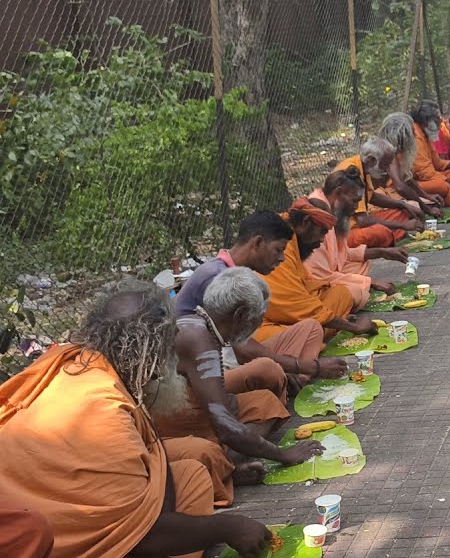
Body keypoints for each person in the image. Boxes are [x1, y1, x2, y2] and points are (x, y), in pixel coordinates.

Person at [0, 279, 272, 558]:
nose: (176, 363)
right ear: (149, 351)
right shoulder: (104, 409)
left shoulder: (80, 362)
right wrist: (227, 528)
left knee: (190, 474)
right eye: (170, 347)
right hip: (43, 538)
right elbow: (140, 537)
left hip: (41, 503)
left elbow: (154, 455)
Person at [154, 268, 326, 507]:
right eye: (259, 317)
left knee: (265, 403)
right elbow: (225, 425)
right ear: (241, 315)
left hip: (190, 407)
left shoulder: (200, 325)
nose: (259, 325)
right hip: (166, 424)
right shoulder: (198, 338)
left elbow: (218, 403)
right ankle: (227, 469)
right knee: (208, 450)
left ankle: (229, 463)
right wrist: (283, 455)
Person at [175, 210, 346, 398]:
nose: (282, 258)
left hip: (236, 359)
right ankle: (282, 382)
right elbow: (243, 351)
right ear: (257, 243)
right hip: (208, 375)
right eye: (278, 250)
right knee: (266, 369)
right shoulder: (217, 277)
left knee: (311, 328)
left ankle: (290, 382)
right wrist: (314, 367)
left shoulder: (237, 271)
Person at [255, 198, 378, 343]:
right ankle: (317, 333)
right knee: (301, 334)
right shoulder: (280, 248)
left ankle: (322, 329)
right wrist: (352, 327)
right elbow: (294, 305)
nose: (321, 241)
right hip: (267, 323)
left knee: (341, 294)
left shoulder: (290, 235)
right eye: (321, 232)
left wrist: (334, 318)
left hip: (294, 312)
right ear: (306, 222)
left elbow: (304, 285)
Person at [306, 166, 407, 308]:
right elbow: (319, 277)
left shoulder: (332, 209)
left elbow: (342, 255)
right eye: (354, 201)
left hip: (330, 273)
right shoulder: (317, 218)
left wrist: (381, 252)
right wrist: (370, 282)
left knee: (362, 264)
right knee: (356, 293)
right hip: (314, 285)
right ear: (338, 193)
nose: (356, 207)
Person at [336, 138, 427, 248]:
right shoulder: (351, 172)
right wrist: (403, 225)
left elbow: (372, 197)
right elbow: (363, 221)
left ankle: (393, 235)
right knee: (382, 233)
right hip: (345, 232)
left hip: (359, 221)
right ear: (371, 160)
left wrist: (402, 204)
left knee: (400, 213)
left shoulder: (362, 166)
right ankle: (390, 237)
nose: (387, 170)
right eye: (384, 165)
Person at [376, 112, 445, 218]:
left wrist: (426, 196)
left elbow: (406, 178)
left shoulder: (395, 150)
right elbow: (400, 187)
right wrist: (426, 208)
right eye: (412, 133)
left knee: (426, 203)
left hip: (391, 195)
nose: (415, 135)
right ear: (404, 135)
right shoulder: (387, 151)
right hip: (381, 197)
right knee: (414, 207)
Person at [409, 99, 450, 203]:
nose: (440, 121)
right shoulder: (415, 136)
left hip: (427, 176)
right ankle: (446, 194)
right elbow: (426, 173)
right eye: (436, 118)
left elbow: (438, 162)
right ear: (426, 120)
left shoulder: (425, 133)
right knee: (442, 186)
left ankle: (449, 192)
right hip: (414, 182)